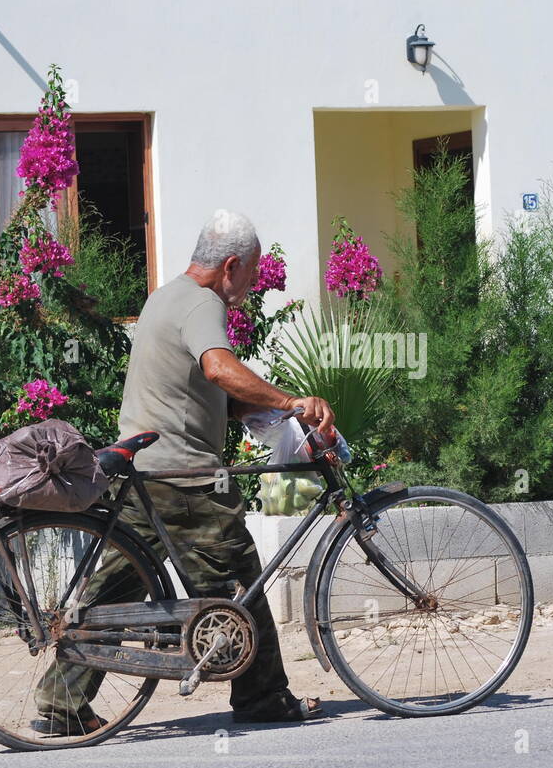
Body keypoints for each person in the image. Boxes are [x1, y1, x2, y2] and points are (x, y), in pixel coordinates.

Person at [32, 209, 335, 734]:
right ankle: (263, 698)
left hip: (142, 469)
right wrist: (291, 402)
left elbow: (193, 388)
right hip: (187, 479)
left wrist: (255, 412)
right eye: (253, 271)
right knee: (241, 584)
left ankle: (62, 704)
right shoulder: (203, 303)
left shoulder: (164, 296)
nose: (253, 282)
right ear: (232, 265)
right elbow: (218, 367)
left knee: (113, 589)